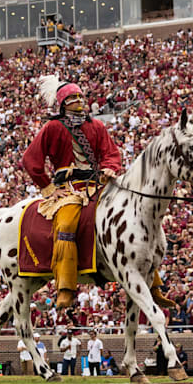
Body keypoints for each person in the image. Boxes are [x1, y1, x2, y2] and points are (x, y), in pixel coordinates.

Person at [22, 75, 133, 310]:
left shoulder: (97, 126)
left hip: (98, 185)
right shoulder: (52, 127)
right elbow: (31, 159)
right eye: (73, 98)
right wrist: (48, 188)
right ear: (63, 104)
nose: (80, 101)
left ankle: (150, 282)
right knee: (65, 227)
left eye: (81, 96)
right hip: (69, 189)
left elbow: (111, 153)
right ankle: (65, 287)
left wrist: (110, 169)